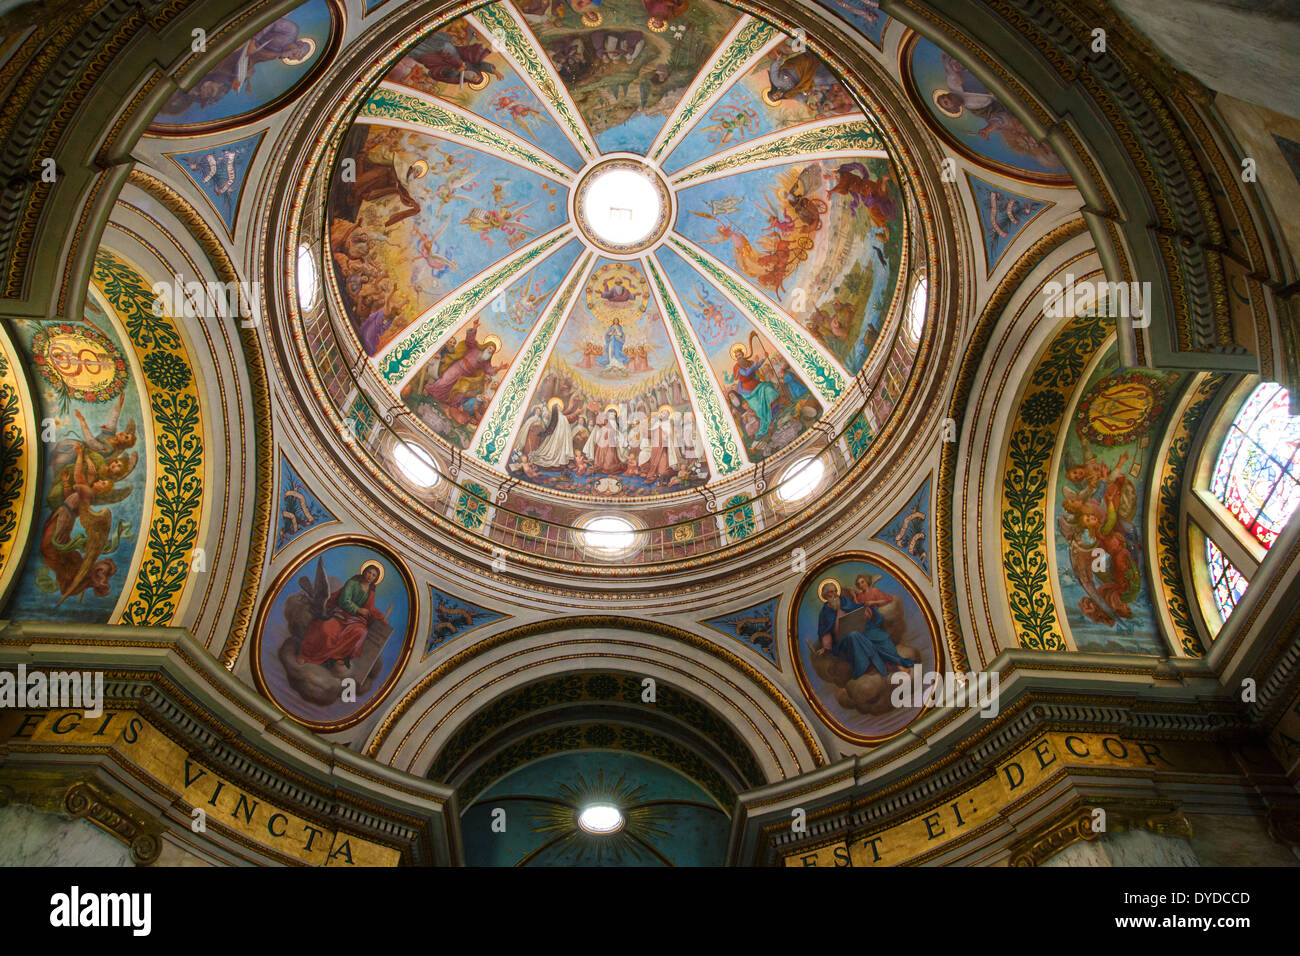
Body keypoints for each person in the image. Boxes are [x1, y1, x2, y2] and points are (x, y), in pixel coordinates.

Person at [297, 562, 387, 678]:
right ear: (364, 572)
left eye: (373, 575)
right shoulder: (352, 583)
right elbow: (344, 601)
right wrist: (358, 609)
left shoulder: (371, 591)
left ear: (376, 579)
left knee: (361, 632)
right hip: (342, 613)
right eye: (369, 572)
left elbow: (370, 608)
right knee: (327, 631)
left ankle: (339, 656)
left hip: (356, 620)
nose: (370, 576)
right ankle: (306, 655)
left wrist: (381, 618)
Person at [814, 579, 914, 680]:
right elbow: (825, 632)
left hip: (860, 630)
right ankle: (889, 667)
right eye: (831, 592)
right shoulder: (824, 613)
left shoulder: (844, 602)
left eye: (835, 591)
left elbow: (857, 608)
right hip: (844, 641)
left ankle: (897, 663)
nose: (835, 594)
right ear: (825, 595)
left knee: (879, 636)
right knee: (854, 636)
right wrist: (825, 647)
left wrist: (865, 611)